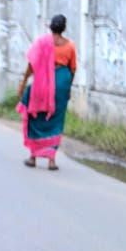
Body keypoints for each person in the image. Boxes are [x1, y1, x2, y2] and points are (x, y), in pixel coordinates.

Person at [16, 13, 77, 171]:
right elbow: (73, 68)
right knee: (56, 121)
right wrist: (68, 87)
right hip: (62, 83)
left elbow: (32, 64)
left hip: (42, 83)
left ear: (51, 27)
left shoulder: (42, 42)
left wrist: (23, 84)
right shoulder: (70, 46)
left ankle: (33, 157)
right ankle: (51, 160)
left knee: (35, 116)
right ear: (64, 28)